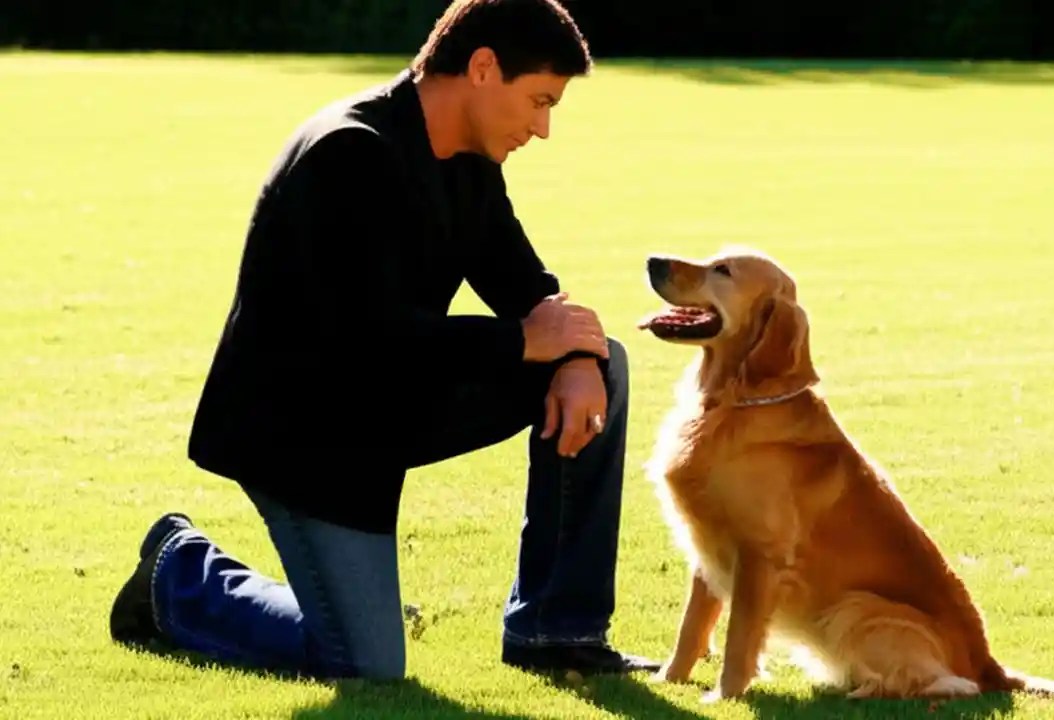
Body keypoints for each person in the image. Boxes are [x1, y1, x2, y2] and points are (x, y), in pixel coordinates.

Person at [108, 0, 660, 680]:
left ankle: (555, 630)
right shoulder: (348, 153)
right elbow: (365, 342)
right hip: (307, 433)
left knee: (605, 366)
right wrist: (524, 341)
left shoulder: (468, 159)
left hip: (389, 402)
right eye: (539, 101)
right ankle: (177, 573)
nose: (542, 129)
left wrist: (576, 355)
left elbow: (522, 280)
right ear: (483, 68)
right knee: (364, 663)